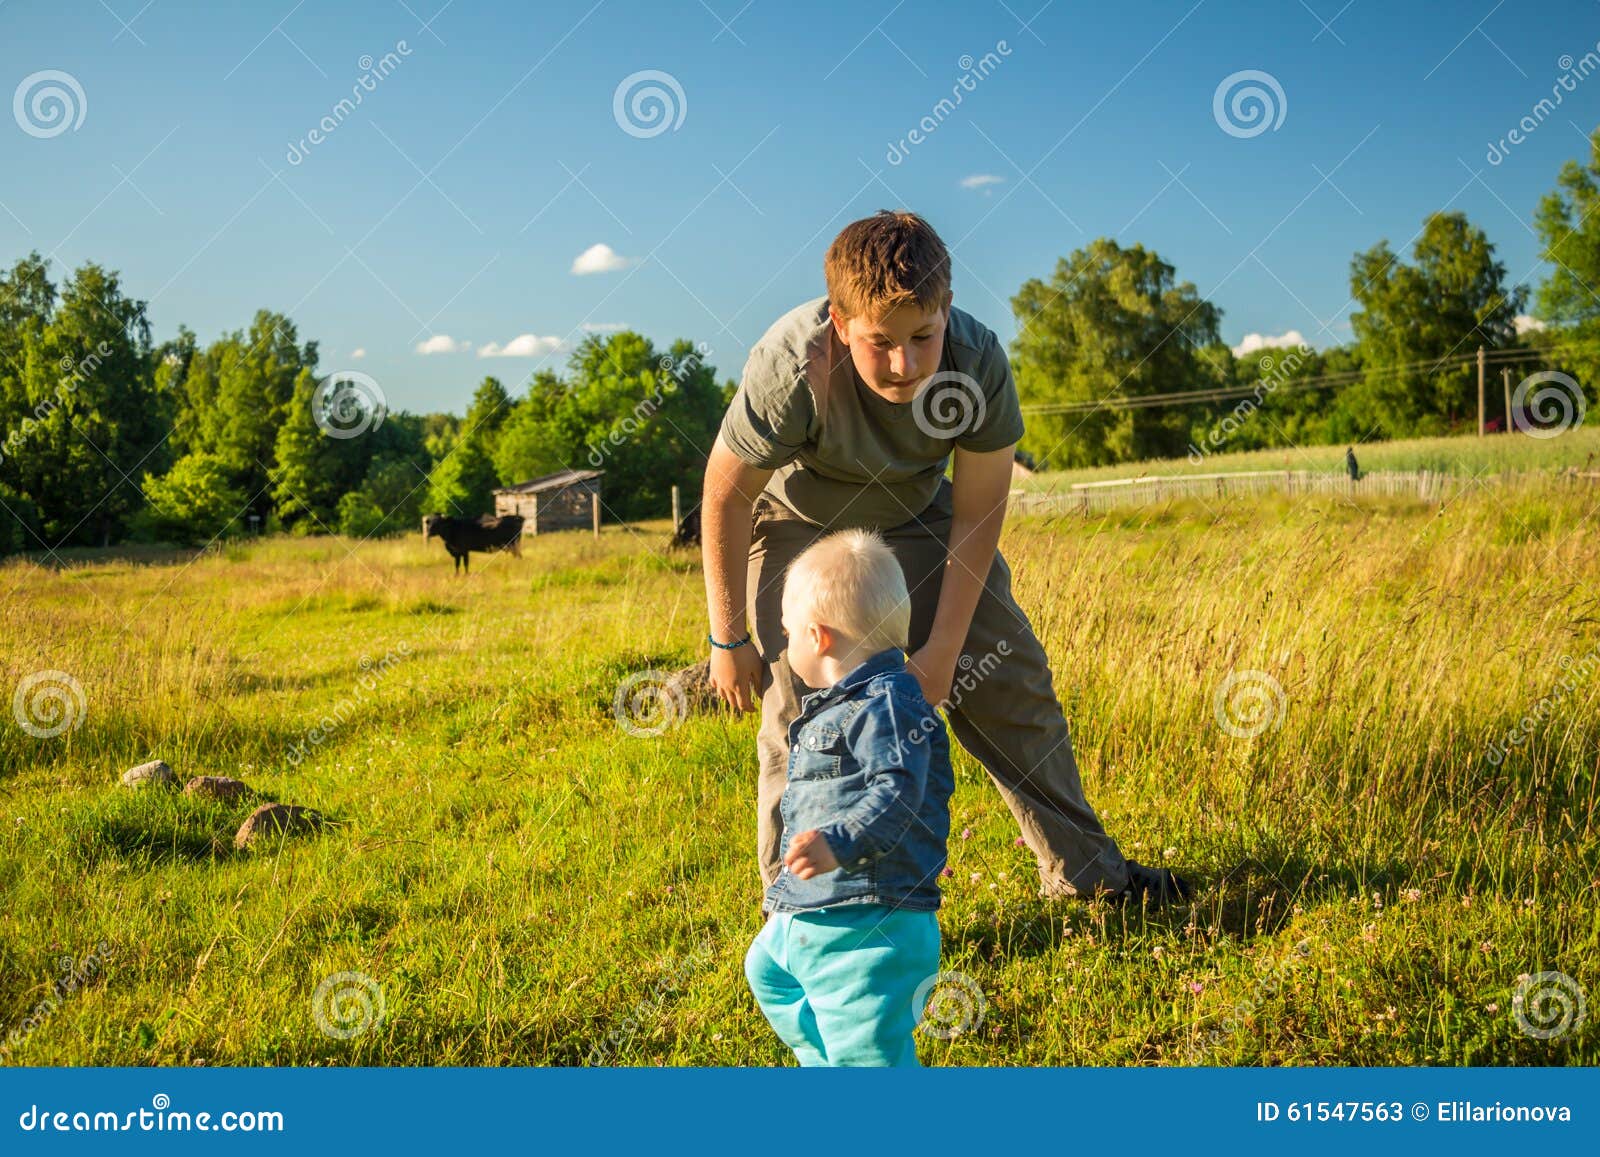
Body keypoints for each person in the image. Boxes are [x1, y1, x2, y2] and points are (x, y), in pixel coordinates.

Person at [701, 208, 1191, 907]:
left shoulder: (977, 358)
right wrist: (729, 638)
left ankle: (1089, 879)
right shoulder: (792, 364)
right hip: (801, 525)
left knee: (1011, 678)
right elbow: (724, 493)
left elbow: (979, 509)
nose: (904, 364)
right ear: (840, 324)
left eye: (923, 337)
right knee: (802, 712)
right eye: (880, 343)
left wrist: (941, 655)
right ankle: (805, 912)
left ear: (947, 309)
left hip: (918, 515)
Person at [743, 528, 952, 1066]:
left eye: (787, 635)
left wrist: (840, 840)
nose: (784, 649)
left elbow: (899, 789)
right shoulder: (842, 704)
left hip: (870, 916)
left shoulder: (888, 705)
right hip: (816, 908)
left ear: (818, 637)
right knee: (767, 972)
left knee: (868, 1053)